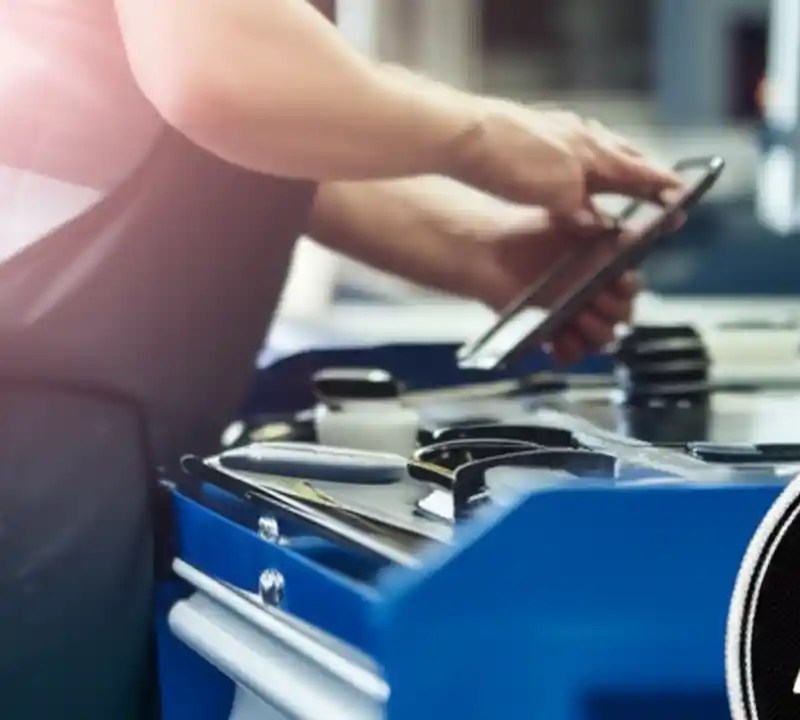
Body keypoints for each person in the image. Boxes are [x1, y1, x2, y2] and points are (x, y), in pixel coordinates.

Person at [0, 1, 684, 717]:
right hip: (37, 419)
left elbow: (255, 130)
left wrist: (478, 251)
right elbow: (222, 69)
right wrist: (493, 135)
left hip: (73, 408)